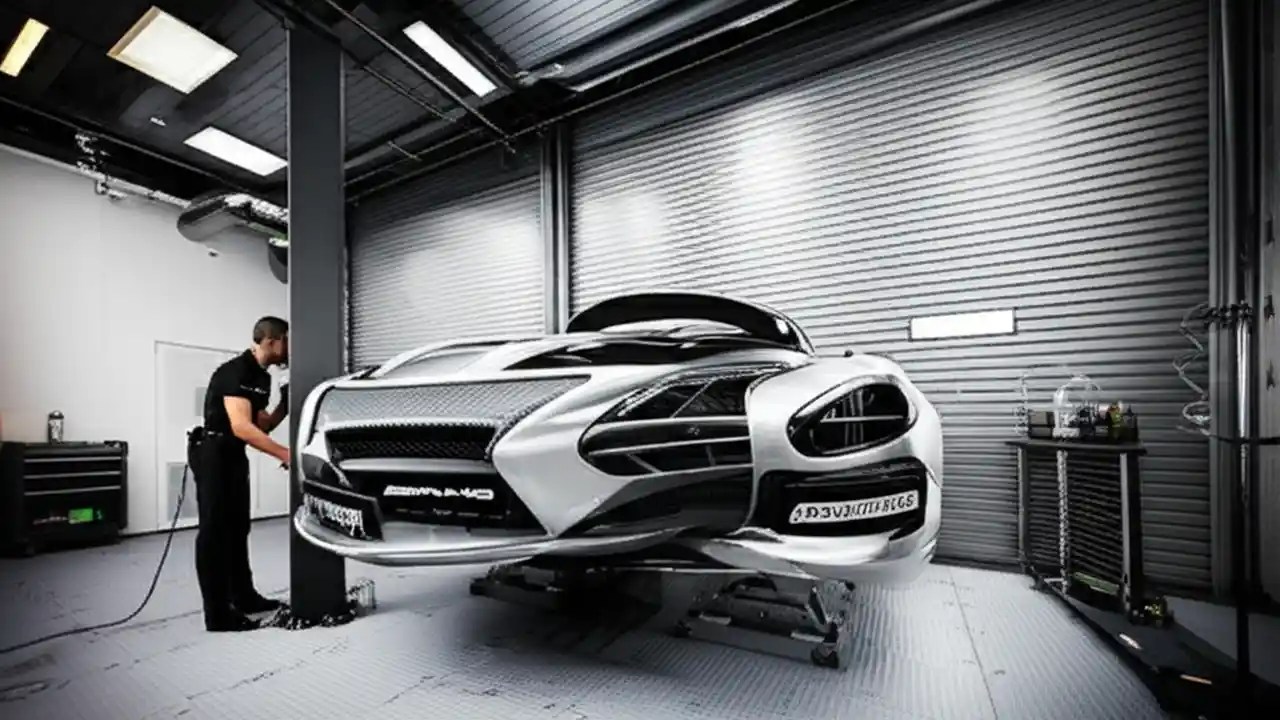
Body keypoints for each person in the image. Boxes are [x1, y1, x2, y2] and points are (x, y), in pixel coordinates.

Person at [194, 316, 292, 632]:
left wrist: (284, 407)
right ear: (272, 341)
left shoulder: (262, 378)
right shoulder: (234, 372)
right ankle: (218, 614)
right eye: (287, 340)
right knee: (214, 533)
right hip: (212, 453)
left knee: (238, 529)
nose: (290, 347)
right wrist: (284, 453)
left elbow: (261, 424)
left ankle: (245, 597)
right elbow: (241, 426)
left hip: (234, 455)